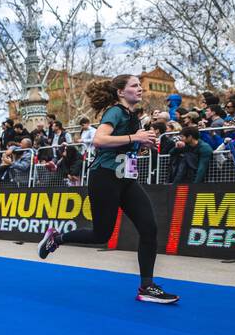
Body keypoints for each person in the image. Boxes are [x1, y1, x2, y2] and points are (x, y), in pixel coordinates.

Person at [36, 74, 179, 304]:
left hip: (126, 178)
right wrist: (136, 137)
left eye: (140, 85)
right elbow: (100, 140)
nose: (140, 89)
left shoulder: (133, 116)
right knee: (101, 234)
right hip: (104, 177)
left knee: (149, 227)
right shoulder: (115, 111)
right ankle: (56, 239)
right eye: (134, 85)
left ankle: (147, 287)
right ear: (121, 92)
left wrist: (141, 144)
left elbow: (123, 145)